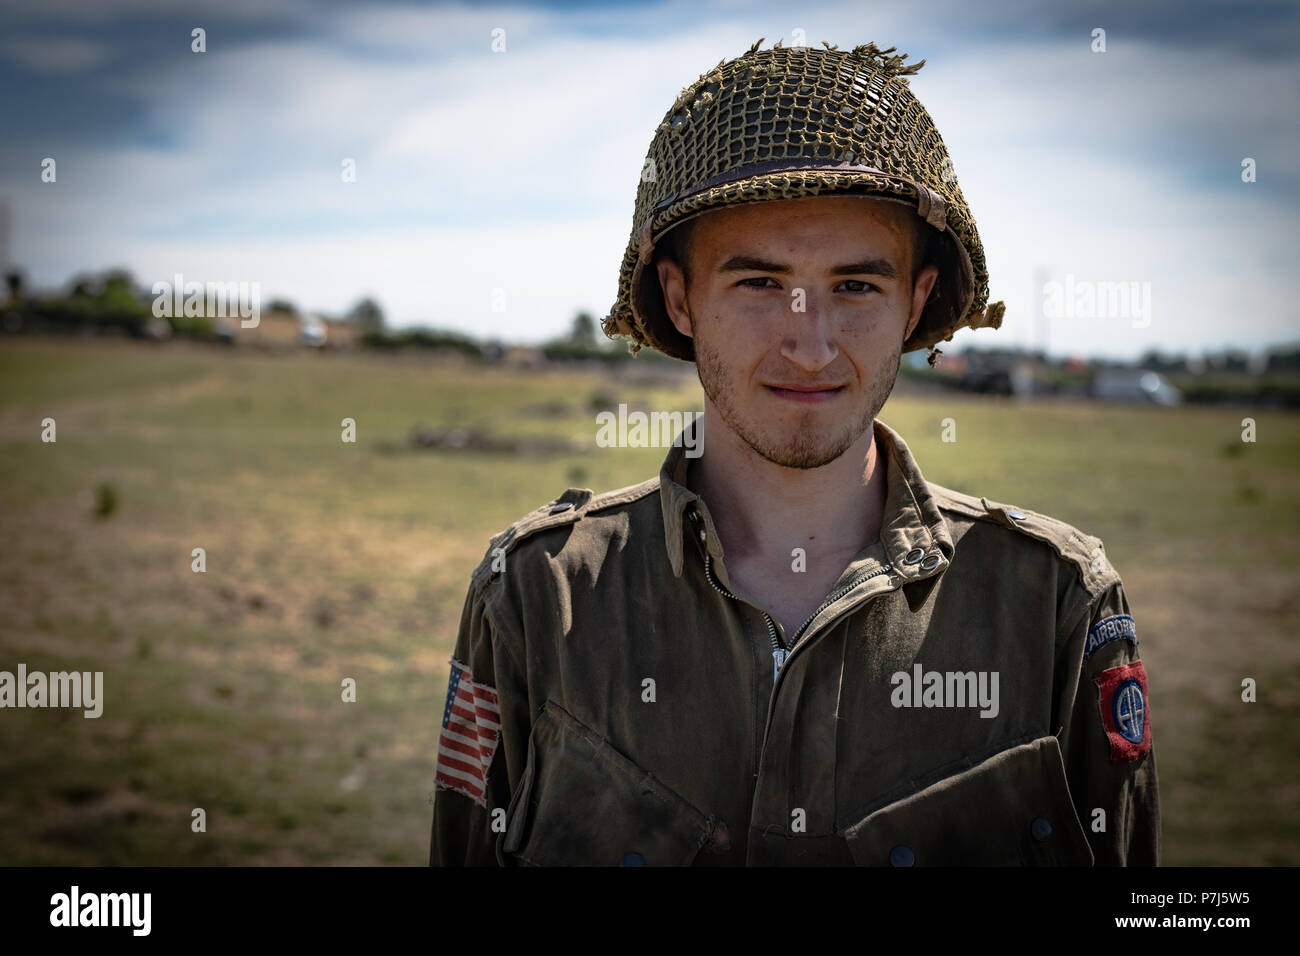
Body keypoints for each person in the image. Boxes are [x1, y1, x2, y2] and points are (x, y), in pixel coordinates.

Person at [429, 39, 1159, 866]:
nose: (810, 346)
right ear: (680, 297)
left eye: (856, 286)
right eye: (760, 284)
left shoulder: (1055, 605)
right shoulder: (536, 600)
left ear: (915, 300)